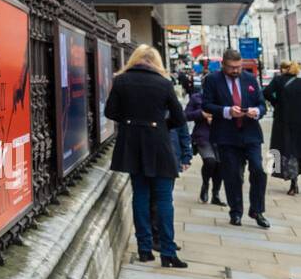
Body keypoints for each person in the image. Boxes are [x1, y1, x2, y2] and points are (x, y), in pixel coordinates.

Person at [108, 44, 190, 267]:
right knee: (164, 198)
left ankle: (144, 249)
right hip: (159, 144)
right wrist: (162, 126)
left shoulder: (122, 81)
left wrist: (131, 121)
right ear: (157, 62)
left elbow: (110, 112)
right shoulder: (163, 83)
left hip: (132, 144)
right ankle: (168, 252)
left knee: (141, 195)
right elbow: (180, 118)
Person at [202, 47, 269, 228]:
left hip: (251, 134)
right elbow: (206, 104)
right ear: (223, 64)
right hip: (226, 136)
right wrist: (226, 111)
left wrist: (257, 111)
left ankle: (257, 210)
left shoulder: (250, 78)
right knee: (233, 176)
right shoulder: (212, 80)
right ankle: (236, 211)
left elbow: (262, 104)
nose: (236, 71)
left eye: (238, 67)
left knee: (258, 170)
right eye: (232, 67)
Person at [269, 61, 301, 195]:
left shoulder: (278, 81)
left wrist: (277, 104)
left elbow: (266, 93)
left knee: (290, 152)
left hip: (286, 122)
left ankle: (293, 185)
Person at [185, 87, 222, 206]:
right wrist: (202, 114)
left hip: (221, 136)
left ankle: (216, 194)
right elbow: (186, 115)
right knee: (210, 161)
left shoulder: (223, 97)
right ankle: (205, 185)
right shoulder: (196, 98)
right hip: (202, 136)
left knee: (220, 165)